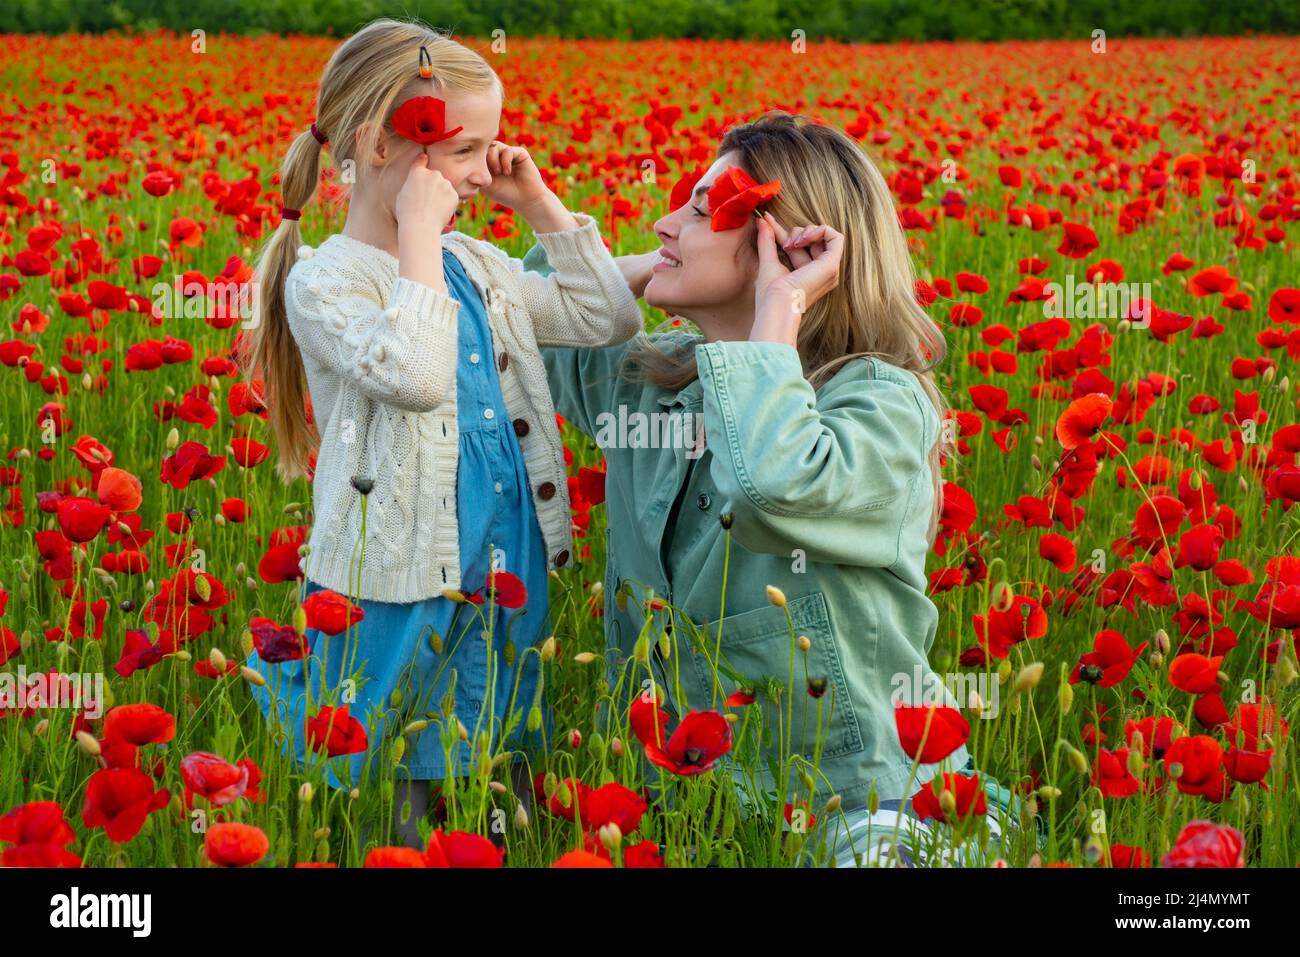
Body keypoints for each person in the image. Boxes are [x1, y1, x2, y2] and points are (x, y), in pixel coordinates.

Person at [529, 111, 1031, 866]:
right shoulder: (656, 385)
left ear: (787, 244)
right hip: (689, 811)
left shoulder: (880, 404)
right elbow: (529, 322)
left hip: (859, 802)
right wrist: (624, 261)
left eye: (704, 209)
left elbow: (773, 483)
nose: (666, 222)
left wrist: (779, 306)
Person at [239, 18, 642, 850]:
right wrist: (420, 232)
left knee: (495, 722)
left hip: (503, 545)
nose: (482, 171)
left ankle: (499, 844)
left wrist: (538, 204)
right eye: (465, 151)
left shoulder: (477, 263)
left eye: (490, 148)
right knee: (402, 740)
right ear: (378, 145)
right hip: (400, 563)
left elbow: (606, 317)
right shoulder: (326, 282)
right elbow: (418, 375)